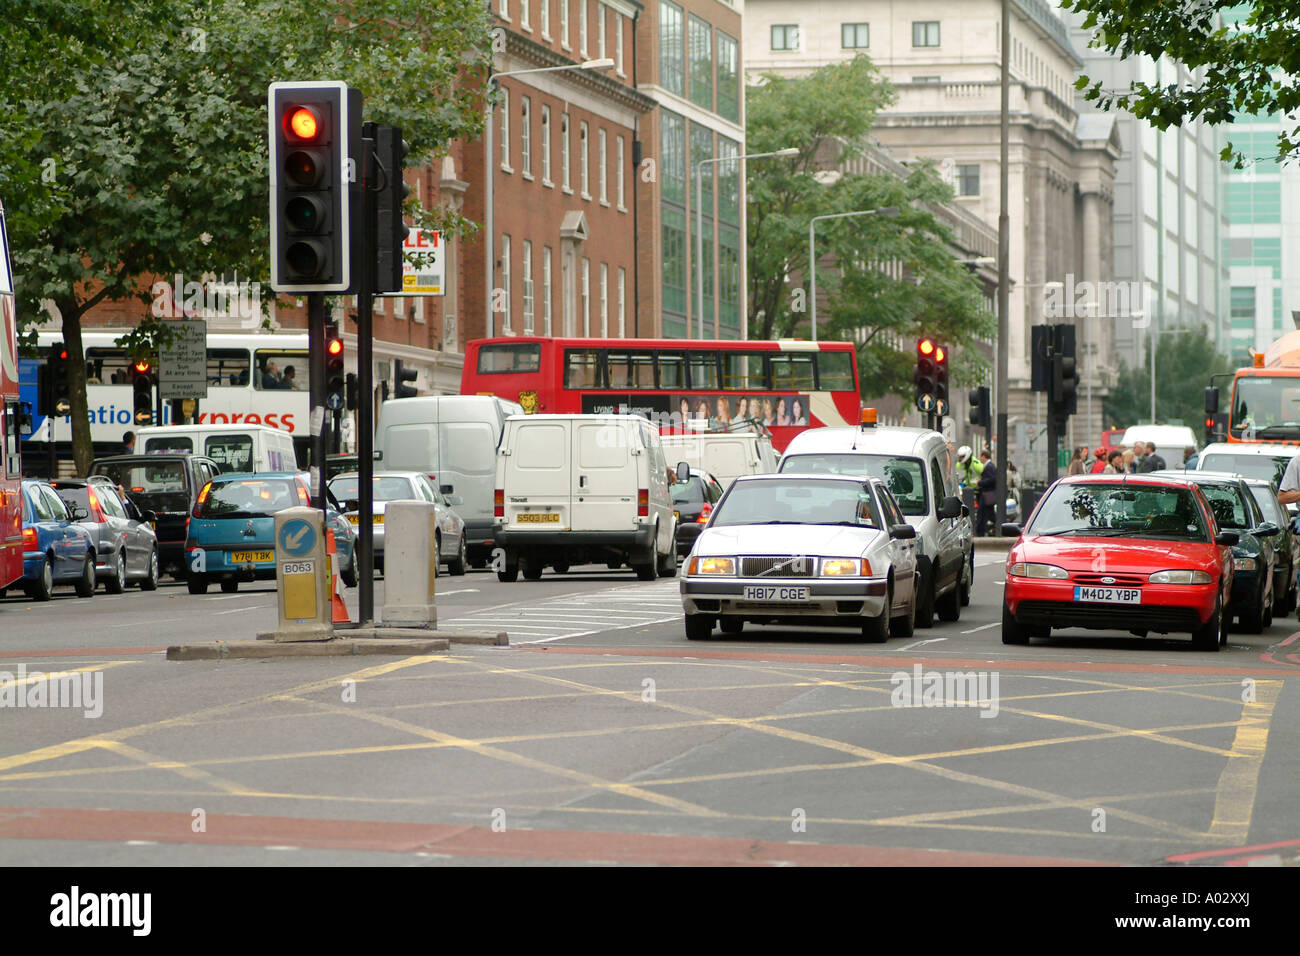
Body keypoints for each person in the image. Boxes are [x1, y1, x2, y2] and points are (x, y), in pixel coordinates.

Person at [976, 449, 998, 536]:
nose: (979, 458)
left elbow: (992, 479)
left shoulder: (989, 466)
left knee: (983, 513)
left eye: (980, 456)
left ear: (984, 456)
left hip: (988, 494)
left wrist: (980, 482)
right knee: (987, 513)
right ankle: (981, 531)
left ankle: (980, 532)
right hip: (988, 494)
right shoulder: (990, 466)